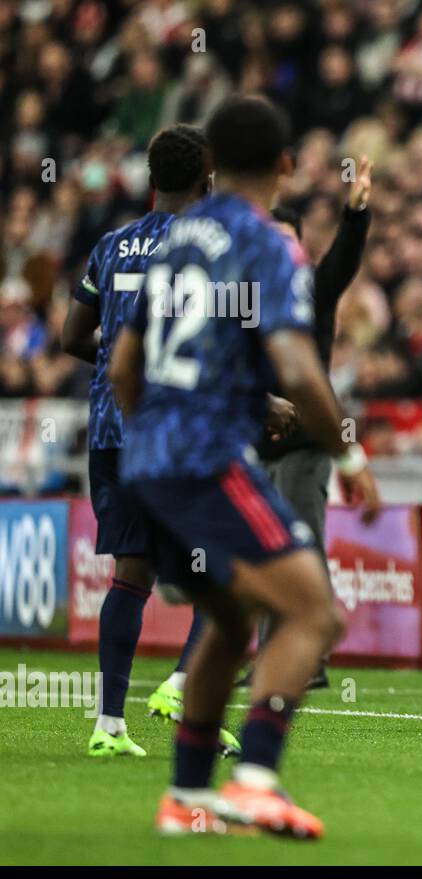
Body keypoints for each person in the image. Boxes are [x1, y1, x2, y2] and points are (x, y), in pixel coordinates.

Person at [108, 95, 380, 837]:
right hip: (205, 456)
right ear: (286, 166)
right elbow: (296, 364)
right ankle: (257, 779)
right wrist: (347, 451)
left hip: (150, 456)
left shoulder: (172, 241)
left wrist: (152, 441)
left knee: (229, 621)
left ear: (213, 166)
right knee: (313, 612)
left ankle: (187, 797)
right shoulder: (267, 243)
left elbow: (124, 365)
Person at [62, 123, 241, 759]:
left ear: (149, 178)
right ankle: (184, 686)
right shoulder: (211, 247)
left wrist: (119, 359)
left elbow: (71, 337)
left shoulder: (110, 246)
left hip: (112, 429)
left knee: (129, 578)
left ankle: (109, 726)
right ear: (208, 179)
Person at [221, 157, 374, 692]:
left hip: (306, 442)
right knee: (266, 553)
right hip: (258, 441)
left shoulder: (311, 289)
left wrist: (356, 213)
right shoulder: (244, 295)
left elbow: (343, 263)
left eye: (287, 238)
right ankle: (273, 656)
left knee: (300, 547)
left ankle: (310, 658)